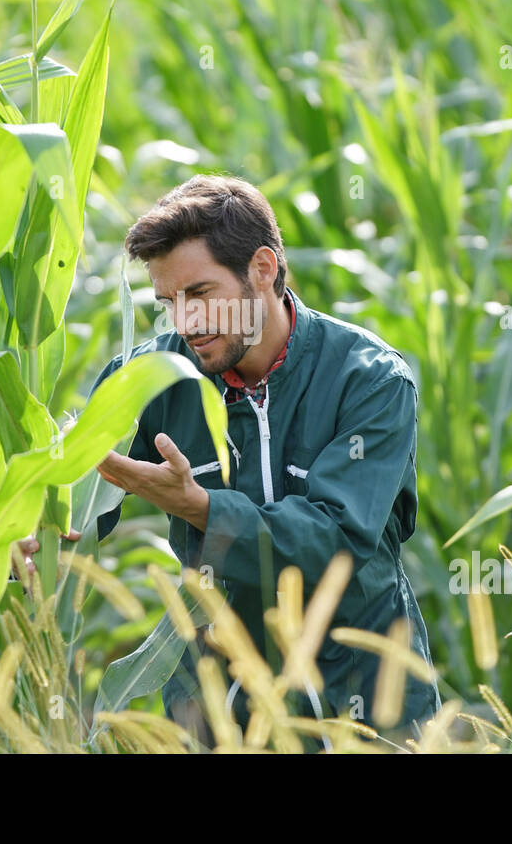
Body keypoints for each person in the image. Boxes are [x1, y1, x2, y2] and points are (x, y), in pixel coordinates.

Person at [31, 174, 442, 751]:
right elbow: (73, 510)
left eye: (199, 294)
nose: (184, 323)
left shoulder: (368, 379)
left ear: (263, 269)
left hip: (369, 697)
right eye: (168, 302)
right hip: (218, 710)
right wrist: (28, 535)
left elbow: (338, 543)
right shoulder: (150, 380)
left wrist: (201, 509)